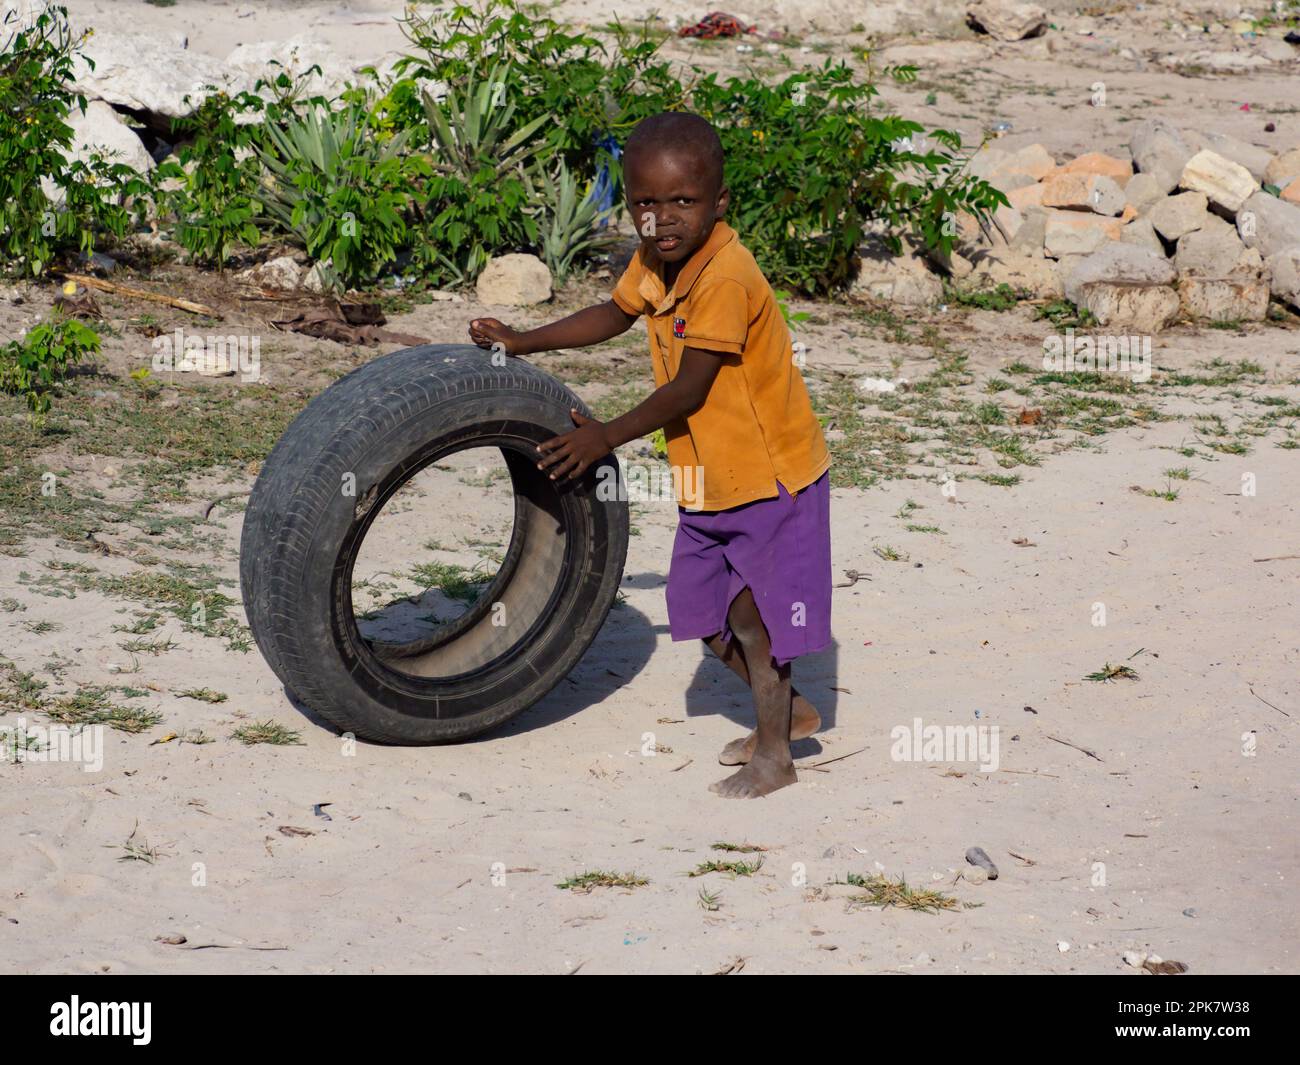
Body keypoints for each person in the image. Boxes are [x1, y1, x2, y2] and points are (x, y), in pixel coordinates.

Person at [469, 112, 831, 797]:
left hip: (769, 476)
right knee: (700, 613)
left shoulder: (725, 277)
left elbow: (690, 388)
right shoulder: (658, 259)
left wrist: (604, 435)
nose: (662, 219)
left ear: (719, 204)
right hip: (707, 476)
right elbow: (612, 313)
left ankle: (776, 754)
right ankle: (791, 710)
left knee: (754, 620)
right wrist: (523, 340)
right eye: (645, 202)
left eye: (683, 202)